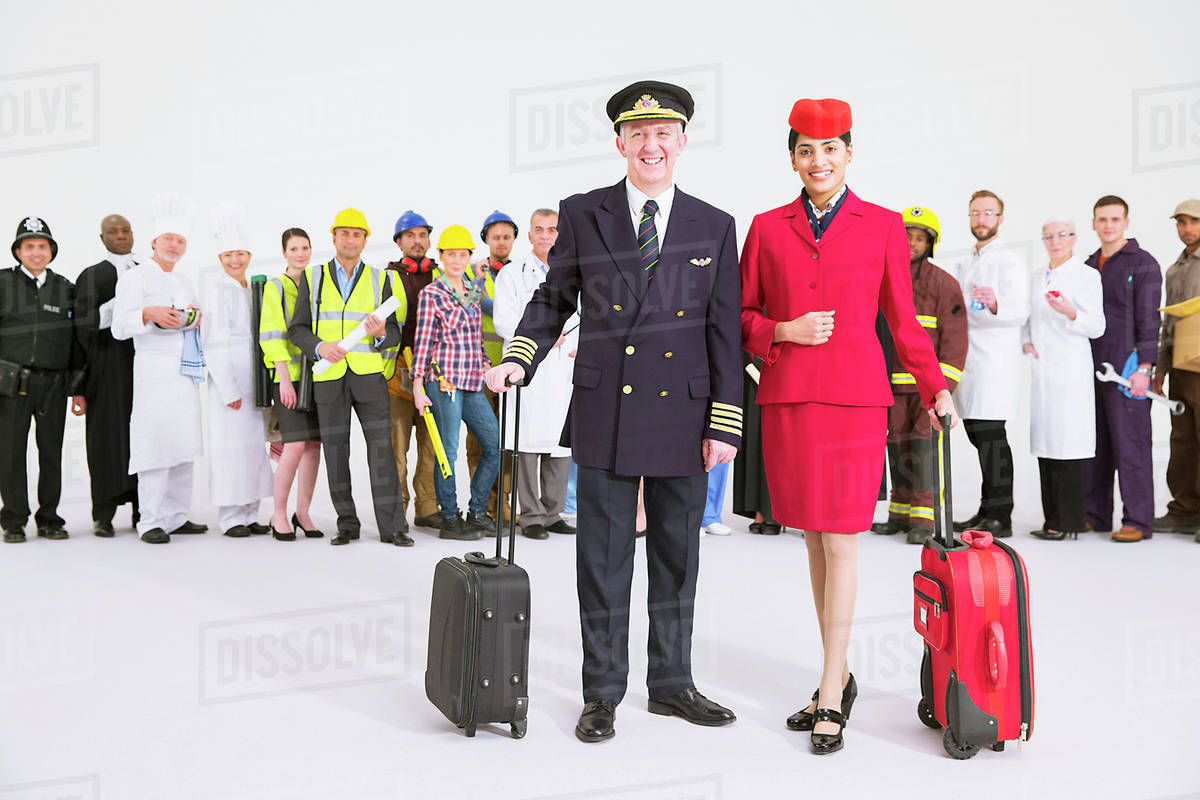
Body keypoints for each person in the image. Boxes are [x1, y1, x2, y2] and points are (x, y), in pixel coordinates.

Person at [486, 80, 742, 744]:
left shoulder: (714, 224)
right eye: (638, 134)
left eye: (663, 134)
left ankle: (672, 684)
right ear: (620, 142)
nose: (651, 145)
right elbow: (553, 299)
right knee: (602, 562)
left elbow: (724, 330)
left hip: (685, 415)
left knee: (677, 559)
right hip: (608, 409)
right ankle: (601, 693)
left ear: (681, 142)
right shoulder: (583, 213)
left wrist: (724, 420)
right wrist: (520, 358)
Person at [740, 99, 956, 755]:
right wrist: (784, 329)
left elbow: (903, 321)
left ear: (849, 153)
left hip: (854, 403)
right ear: (792, 158)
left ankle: (832, 689)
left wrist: (935, 387)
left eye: (830, 149)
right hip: (788, 402)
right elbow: (741, 315)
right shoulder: (767, 227)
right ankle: (837, 672)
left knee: (840, 539)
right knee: (812, 537)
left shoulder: (883, 225)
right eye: (806, 149)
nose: (819, 161)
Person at [287, 208, 411, 547]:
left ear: (365, 240)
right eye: (345, 233)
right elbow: (297, 329)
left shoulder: (381, 278)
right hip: (329, 376)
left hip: (369, 376)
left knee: (381, 451)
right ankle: (347, 524)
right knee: (336, 451)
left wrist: (382, 333)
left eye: (357, 234)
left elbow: (395, 333)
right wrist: (319, 346)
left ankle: (393, 527)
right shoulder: (312, 277)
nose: (351, 240)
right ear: (334, 237)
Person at [112, 193, 208, 544]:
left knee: (184, 445)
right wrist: (147, 313)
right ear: (154, 241)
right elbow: (119, 327)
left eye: (180, 240)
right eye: (168, 238)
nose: (174, 245)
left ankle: (177, 516)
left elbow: (195, 316)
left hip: (184, 372)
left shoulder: (184, 282)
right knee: (154, 445)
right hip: (153, 372)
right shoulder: (136, 278)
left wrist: (194, 318)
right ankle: (150, 520)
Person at [870, 206, 968, 545]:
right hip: (890, 386)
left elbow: (955, 341)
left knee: (925, 453)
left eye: (919, 238)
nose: (911, 243)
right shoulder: (880, 276)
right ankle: (899, 514)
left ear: (930, 244)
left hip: (927, 390)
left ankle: (924, 520)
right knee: (897, 448)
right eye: (906, 236)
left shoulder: (944, 284)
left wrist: (943, 389)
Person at [948, 190, 1029, 539]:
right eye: (975, 213)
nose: (981, 219)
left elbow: (1020, 310)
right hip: (971, 361)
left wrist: (996, 304)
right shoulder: (969, 260)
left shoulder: (1009, 261)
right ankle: (986, 510)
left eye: (988, 213)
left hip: (994, 364)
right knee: (978, 436)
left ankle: (1000, 516)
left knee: (992, 439)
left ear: (1000, 218)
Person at [492, 208, 577, 539]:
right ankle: (530, 516)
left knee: (559, 443)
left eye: (552, 229)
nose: (545, 235)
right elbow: (504, 321)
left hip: (563, 368)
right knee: (526, 443)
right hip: (526, 367)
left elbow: (586, 317)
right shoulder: (511, 274)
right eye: (539, 229)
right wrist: (543, 336)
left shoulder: (574, 273)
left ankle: (553, 513)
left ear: (560, 235)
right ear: (529, 235)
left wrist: (576, 343)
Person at [412, 225, 500, 540]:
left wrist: (484, 361)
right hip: (443, 382)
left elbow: (475, 334)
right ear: (441, 256)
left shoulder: (473, 290)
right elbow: (423, 341)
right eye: (451, 254)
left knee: (494, 445)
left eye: (463, 255)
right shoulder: (431, 294)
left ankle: (476, 513)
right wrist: (418, 387)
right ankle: (450, 518)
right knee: (447, 453)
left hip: (472, 381)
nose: (457, 260)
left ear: (469, 257)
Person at [1084, 195, 1163, 542]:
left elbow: (1150, 319)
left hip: (1127, 369)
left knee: (1131, 445)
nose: (1108, 225)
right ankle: (1095, 514)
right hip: (1092, 366)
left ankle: (1138, 520)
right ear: (1093, 223)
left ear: (1126, 223)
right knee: (1096, 444)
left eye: (1115, 219)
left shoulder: (1143, 263)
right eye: (1102, 219)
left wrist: (1144, 368)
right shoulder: (1089, 265)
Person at [0, 217, 83, 543]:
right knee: (10, 453)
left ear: (51, 251)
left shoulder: (65, 289)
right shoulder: (3, 283)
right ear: (18, 251)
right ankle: (13, 520)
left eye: (42, 246)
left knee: (51, 452)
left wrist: (77, 388)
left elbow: (76, 340)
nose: (36, 252)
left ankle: (49, 518)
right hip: (11, 385)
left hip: (53, 385)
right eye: (29, 246)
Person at [1021, 217, 1105, 540]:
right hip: (1042, 370)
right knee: (1046, 444)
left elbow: (1097, 326)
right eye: (1048, 236)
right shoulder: (1036, 277)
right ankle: (1051, 520)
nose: (1055, 242)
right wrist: (1026, 341)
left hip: (1070, 371)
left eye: (1062, 235)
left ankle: (1068, 522)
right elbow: (1027, 318)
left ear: (1074, 238)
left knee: (1066, 445)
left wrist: (1071, 312)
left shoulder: (1086, 276)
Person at [203, 203, 273, 538]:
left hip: (254, 378)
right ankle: (231, 516)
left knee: (253, 447)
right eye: (229, 255)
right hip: (230, 380)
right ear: (220, 258)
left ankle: (250, 511)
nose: (235, 260)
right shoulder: (217, 289)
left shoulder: (251, 287)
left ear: (249, 255)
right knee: (230, 447)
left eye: (241, 254)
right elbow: (212, 342)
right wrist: (227, 388)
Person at [73, 214, 140, 536]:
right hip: (105, 367)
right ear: (102, 238)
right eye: (113, 232)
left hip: (142, 367)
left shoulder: (146, 271)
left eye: (126, 230)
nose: (121, 235)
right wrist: (122, 304)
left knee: (142, 437)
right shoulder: (91, 276)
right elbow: (83, 325)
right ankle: (104, 513)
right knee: (103, 439)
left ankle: (145, 510)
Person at [259, 228, 323, 540]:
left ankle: (304, 513)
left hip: (317, 377)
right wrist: (284, 378)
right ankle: (279, 514)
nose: (300, 254)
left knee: (313, 446)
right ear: (284, 253)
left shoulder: (315, 283)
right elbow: (271, 335)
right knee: (294, 444)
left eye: (305, 248)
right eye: (294, 249)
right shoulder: (276, 287)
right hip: (288, 377)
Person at [385, 210, 441, 531]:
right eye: (410, 236)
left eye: (422, 236)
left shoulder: (443, 275)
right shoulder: (387, 277)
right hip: (398, 371)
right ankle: (396, 511)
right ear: (399, 242)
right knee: (397, 445)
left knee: (431, 443)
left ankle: (427, 507)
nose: (417, 241)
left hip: (435, 371)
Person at [1152, 199, 1200, 539]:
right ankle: (1184, 510)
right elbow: (1168, 324)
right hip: (1181, 367)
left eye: (1194, 222)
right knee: (1182, 439)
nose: (1187, 229)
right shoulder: (1174, 269)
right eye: (1181, 222)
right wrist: (1161, 369)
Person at [732, 353, 780, 534]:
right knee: (754, 440)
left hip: (779, 368)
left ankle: (774, 511)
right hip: (750, 368)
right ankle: (759, 510)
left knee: (775, 446)